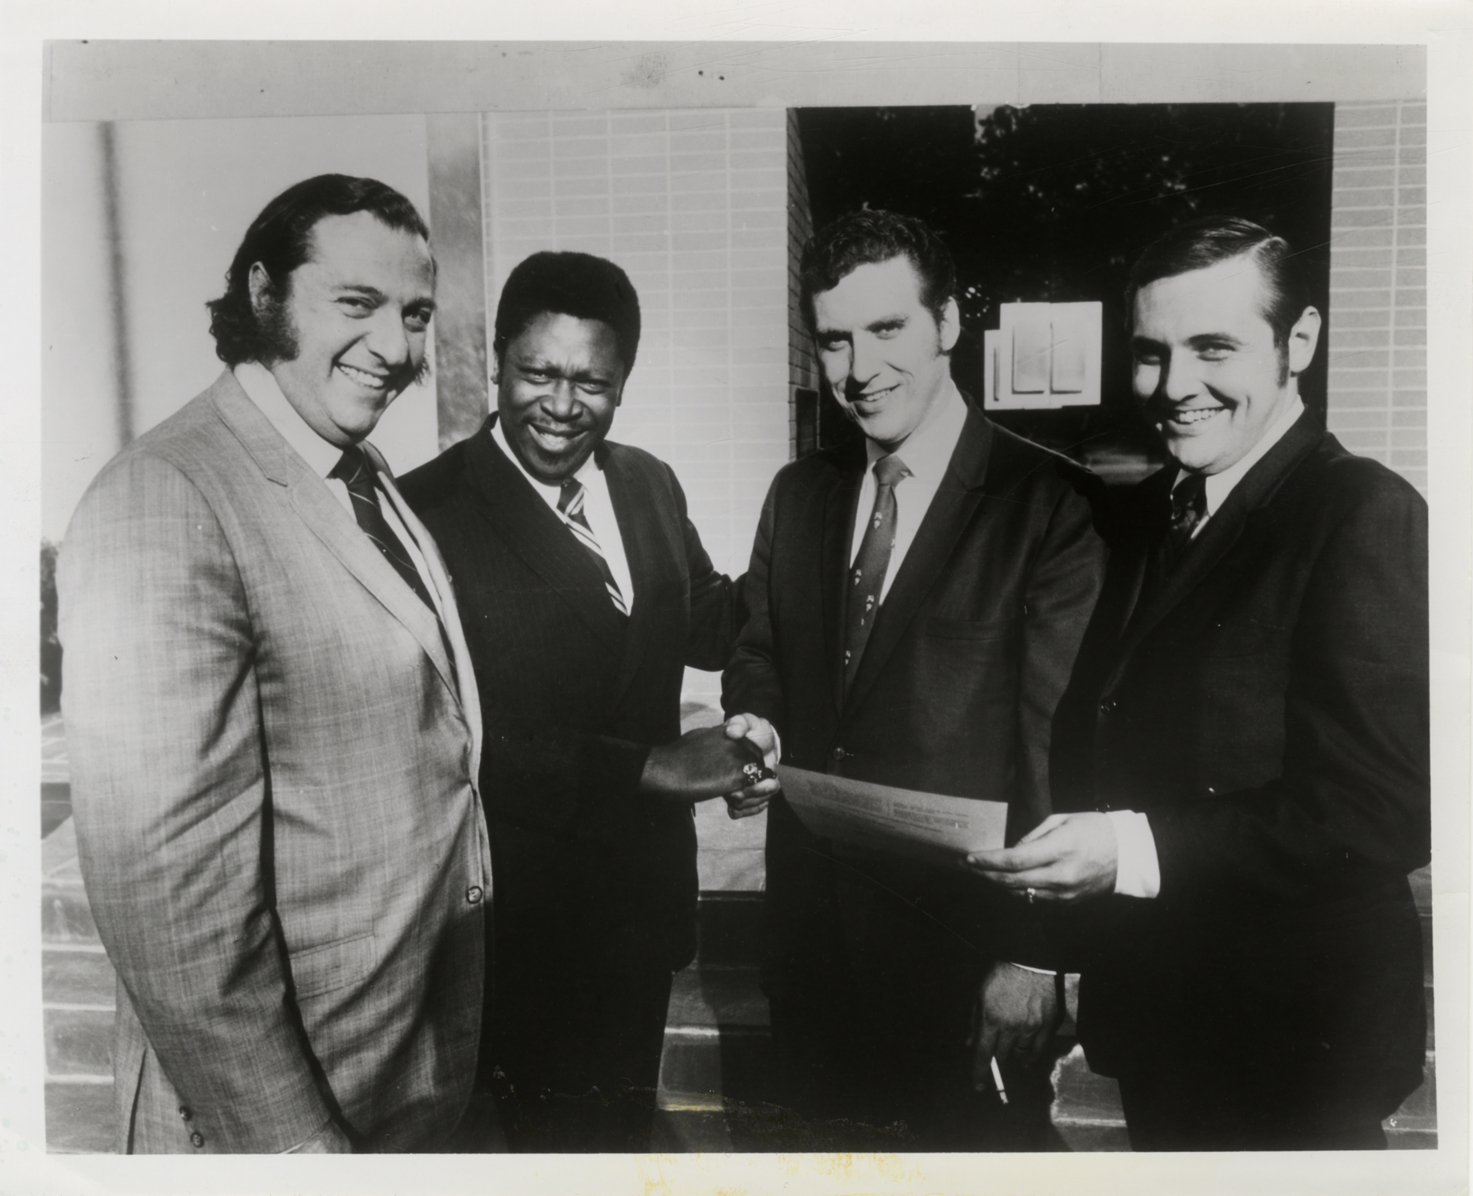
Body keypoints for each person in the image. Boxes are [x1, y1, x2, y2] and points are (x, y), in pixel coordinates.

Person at [966, 216, 1430, 1150]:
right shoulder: (1159, 514)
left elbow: (1382, 807)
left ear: (1298, 341)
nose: (1173, 388)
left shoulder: (1361, 513)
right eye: (1149, 354)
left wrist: (1130, 852)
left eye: (1212, 348)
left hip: (1291, 1053)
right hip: (1165, 1029)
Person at [58, 175, 494, 1154]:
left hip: (403, 1079)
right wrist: (298, 1153)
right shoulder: (163, 500)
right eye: (358, 304)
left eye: (415, 314)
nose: (395, 345)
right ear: (264, 295)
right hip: (274, 1126)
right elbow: (171, 909)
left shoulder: (362, 474)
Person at [721, 210, 1108, 1149]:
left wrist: (1036, 955)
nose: (859, 369)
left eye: (887, 329)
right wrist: (756, 722)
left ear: (947, 325)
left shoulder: (1047, 504)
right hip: (812, 946)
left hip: (964, 959)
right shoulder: (799, 494)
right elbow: (761, 648)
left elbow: (1059, 749)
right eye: (834, 339)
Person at [399, 250, 778, 1152]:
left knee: (614, 1140)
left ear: (623, 385)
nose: (562, 406)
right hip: (512, 930)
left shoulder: (645, 481)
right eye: (537, 373)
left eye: (592, 383)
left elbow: (706, 618)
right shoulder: (427, 511)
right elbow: (441, 732)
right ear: (495, 359)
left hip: (637, 914)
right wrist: (649, 766)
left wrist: (804, 557)